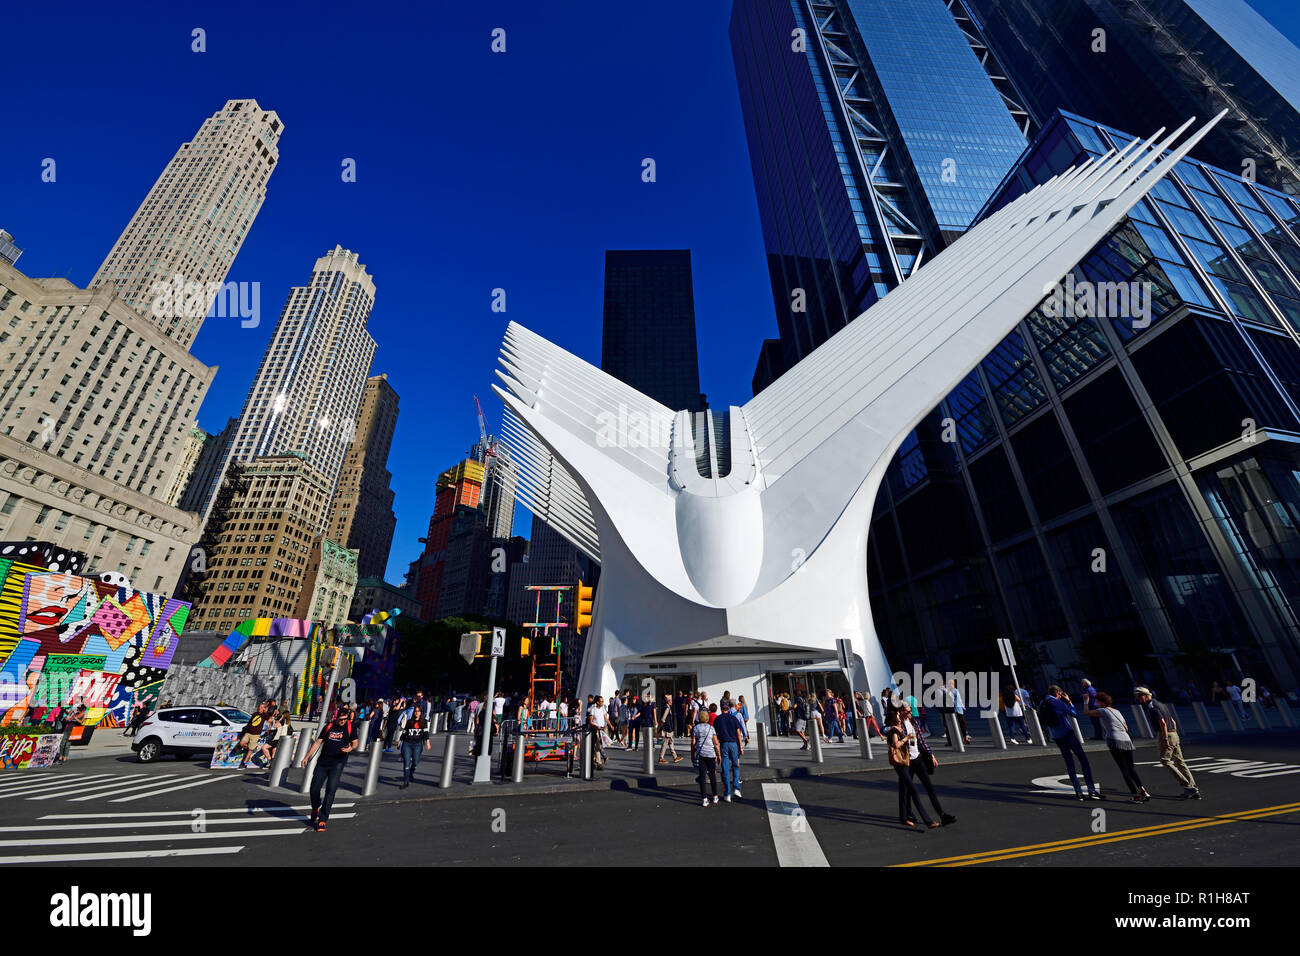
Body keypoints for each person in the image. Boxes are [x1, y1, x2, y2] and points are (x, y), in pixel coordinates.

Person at [1135, 686, 1201, 799]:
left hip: (1165, 734)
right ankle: (1193, 788)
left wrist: (1165, 739)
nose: (1138, 699)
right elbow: (1172, 721)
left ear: (1146, 696)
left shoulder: (1151, 706)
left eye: (1139, 696)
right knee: (1180, 762)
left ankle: (1188, 786)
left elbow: (1163, 723)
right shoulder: (1161, 704)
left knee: (1165, 760)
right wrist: (1174, 734)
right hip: (1173, 733)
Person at [1085, 692, 1148, 803]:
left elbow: (1087, 713)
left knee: (1123, 769)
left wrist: (1086, 701)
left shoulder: (1103, 710)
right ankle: (1143, 790)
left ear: (1102, 702)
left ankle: (1135, 795)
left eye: (1097, 701)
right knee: (1131, 768)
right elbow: (1126, 727)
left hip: (1114, 740)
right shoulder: (1117, 711)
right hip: (1127, 740)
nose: (1096, 703)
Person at [899, 701, 956, 825]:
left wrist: (931, 755)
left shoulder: (914, 722)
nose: (911, 713)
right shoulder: (899, 724)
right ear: (902, 711)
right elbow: (888, 731)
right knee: (907, 790)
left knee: (929, 787)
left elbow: (921, 740)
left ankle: (942, 814)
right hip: (907, 761)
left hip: (918, 758)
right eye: (908, 711)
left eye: (911, 711)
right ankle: (907, 814)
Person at [301, 707, 358, 831]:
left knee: (331, 790)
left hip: (338, 762)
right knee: (314, 789)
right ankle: (316, 807)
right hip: (323, 762)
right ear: (336, 717)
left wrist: (350, 749)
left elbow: (355, 743)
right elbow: (318, 742)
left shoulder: (350, 727)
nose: (343, 721)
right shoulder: (328, 726)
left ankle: (322, 819)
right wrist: (306, 757)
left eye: (345, 719)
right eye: (341, 719)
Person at [1040, 686, 1101, 800]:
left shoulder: (1043, 702)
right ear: (1058, 693)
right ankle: (1091, 789)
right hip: (1067, 733)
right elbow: (1074, 714)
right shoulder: (1058, 702)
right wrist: (1069, 702)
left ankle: (1078, 792)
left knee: (1069, 762)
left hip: (1056, 736)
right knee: (1083, 759)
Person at [884, 709, 937, 829]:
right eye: (897, 715)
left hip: (906, 761)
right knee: (913, 789)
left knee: (904, 790)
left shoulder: (899, 727)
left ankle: (903, 817)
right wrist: (906, 738)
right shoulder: (894, 730)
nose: (899, 717)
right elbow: (895, 745)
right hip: (900, 763)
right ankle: (927, 820)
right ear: (895, 718)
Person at [714, 699, 745, 801]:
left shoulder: (718, 719)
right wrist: (740, 747)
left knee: (725, 768)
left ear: (721, 708)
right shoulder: (734, 718)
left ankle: (727, 793)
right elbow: (738, 733)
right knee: (735, 766)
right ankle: (736, 788)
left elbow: (715, 735)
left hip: (723, 744)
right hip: (733, 743)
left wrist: (716, 749)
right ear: (728, 708)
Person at [397, 703, 432, 788]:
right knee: (406, 763)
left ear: (421, 712)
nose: (416, 713)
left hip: (417, 744)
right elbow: (405, 732)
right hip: (407, 744)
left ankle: (411, 773)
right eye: (415, 711)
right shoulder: (409, 721)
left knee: (415, 762)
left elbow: (425, 732)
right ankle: (406, 782)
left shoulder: (424, 722)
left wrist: (427, 741)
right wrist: (400, 741)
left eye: (418, 711)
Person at [691, 709, 720, 807]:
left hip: (701, 754)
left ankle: (704, 798)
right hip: (711, 754)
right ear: (707, 718)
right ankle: (715, 796)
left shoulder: (695, 728)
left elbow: (693, 743)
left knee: (702, 777)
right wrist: (718, 754)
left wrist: (692, 754)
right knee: (712, 775)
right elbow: (716, 743)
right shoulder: (711, 728)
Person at [236, 701, 270, 769]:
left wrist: (265, 711)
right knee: (242, 743)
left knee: (250, 750)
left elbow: (268, 718)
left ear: (263, 709)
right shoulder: (254, 714)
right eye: (259, 707)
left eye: (261, 707)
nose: (259, 708)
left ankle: (243, 764)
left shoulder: (264, 715)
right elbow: (250, 722)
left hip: (255, 735)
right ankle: (247, 748)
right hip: (248, 733)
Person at [658, 693, 682, 763]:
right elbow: (663, 719)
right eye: (671, 700)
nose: (672, 702)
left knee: (670, 742)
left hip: (668, 728)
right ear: (668, 701)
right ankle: (661, 758)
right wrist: (661, 727)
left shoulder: (666, 707)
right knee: (665, 743)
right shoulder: (667, 708)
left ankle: (675, 757)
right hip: (667, 728)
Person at [587, 695, 608, 769]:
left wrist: (609, 725)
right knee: (597, 746)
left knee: (597, 747)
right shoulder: (593, 709)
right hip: (595, 730)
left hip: (602, 730)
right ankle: (600, 760)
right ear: (597, 702)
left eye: (603, 701)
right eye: (601, 701)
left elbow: (605, 718)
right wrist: (596, 726)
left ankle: (596, 762)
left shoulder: (602, 709)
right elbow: (590, 721)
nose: (603, 702)